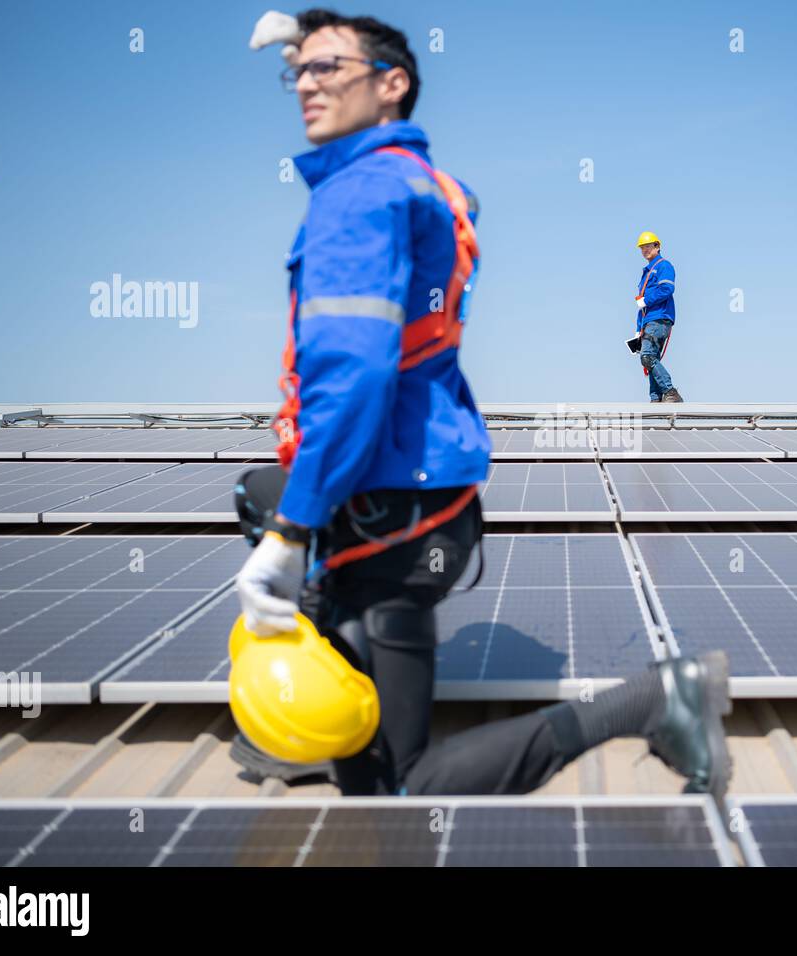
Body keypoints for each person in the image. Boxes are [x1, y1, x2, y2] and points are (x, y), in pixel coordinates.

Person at [232, 9, 730, 798]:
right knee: (259, 495)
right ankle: (314, 723)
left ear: (392, 84)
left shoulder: (359, 195)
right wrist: (320, 35)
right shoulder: (426, 188)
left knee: (402, 785)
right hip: (427, 495)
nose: (305, 83)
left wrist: (295, 528)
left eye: (329, 68)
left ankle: (651, 702)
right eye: (298, 70)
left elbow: (354, 371)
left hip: (382, 512)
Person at [634, 231, 683, 402]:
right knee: (651, 357)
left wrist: (646, 299)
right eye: (642, 248)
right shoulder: (647, 272)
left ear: (657, 246)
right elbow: (642, 307)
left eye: (648, 246)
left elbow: (667, 289)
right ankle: (656, 398)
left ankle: (670, 391)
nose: (644, 250)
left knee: (647, 356)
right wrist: (638, 330)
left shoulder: (663, 266)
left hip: (659, 317)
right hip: (649, 321)